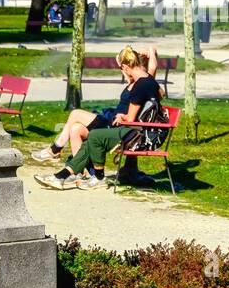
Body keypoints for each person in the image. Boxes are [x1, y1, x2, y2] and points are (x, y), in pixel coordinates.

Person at [34, 53, 165, 190]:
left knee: (76, 115)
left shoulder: (143, 83)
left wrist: (150, 50)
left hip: (118, 127)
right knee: (76, 128)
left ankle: (56, 152)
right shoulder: (135, 81)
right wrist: (129, 56)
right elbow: (122, 63)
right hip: (115, 123)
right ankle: (78, 173)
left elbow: (131, 117)